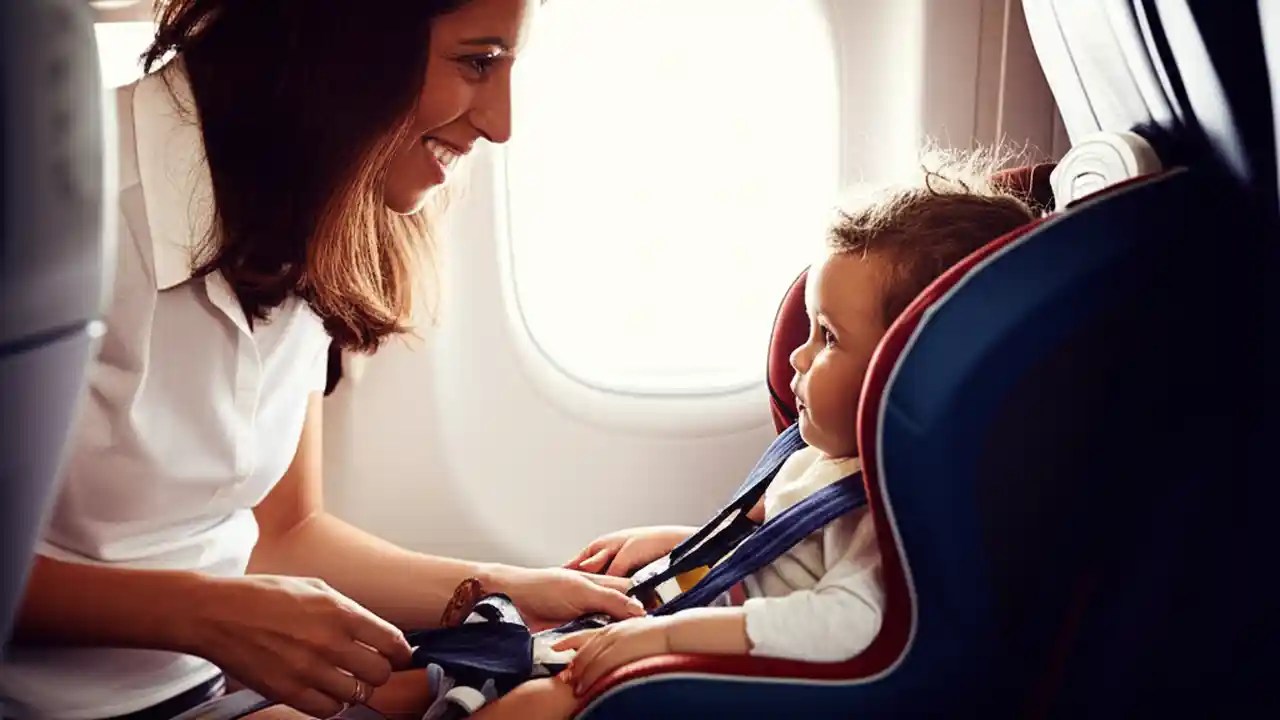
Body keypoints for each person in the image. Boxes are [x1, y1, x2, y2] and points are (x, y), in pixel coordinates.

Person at [0, 2, 646, 719]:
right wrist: (201, 614)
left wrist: (495, 588)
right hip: (53, 706)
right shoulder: (50, 211)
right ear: (346, 38)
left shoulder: (304, 207)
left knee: (574, 692)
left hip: (210, 687)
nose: (501, 124)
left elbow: (286, 534)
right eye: (477, 62)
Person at [462, 150, 1039, 719]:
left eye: (829, 338)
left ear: (913, 372)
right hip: (701, 601)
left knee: (555, 694)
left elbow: (848, 622)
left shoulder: (888, 515)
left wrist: (663, 641)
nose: (798, 354)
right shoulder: (825, 458)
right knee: (502, 641)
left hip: (736, 671)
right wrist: (679, 541)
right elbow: (780, 549)